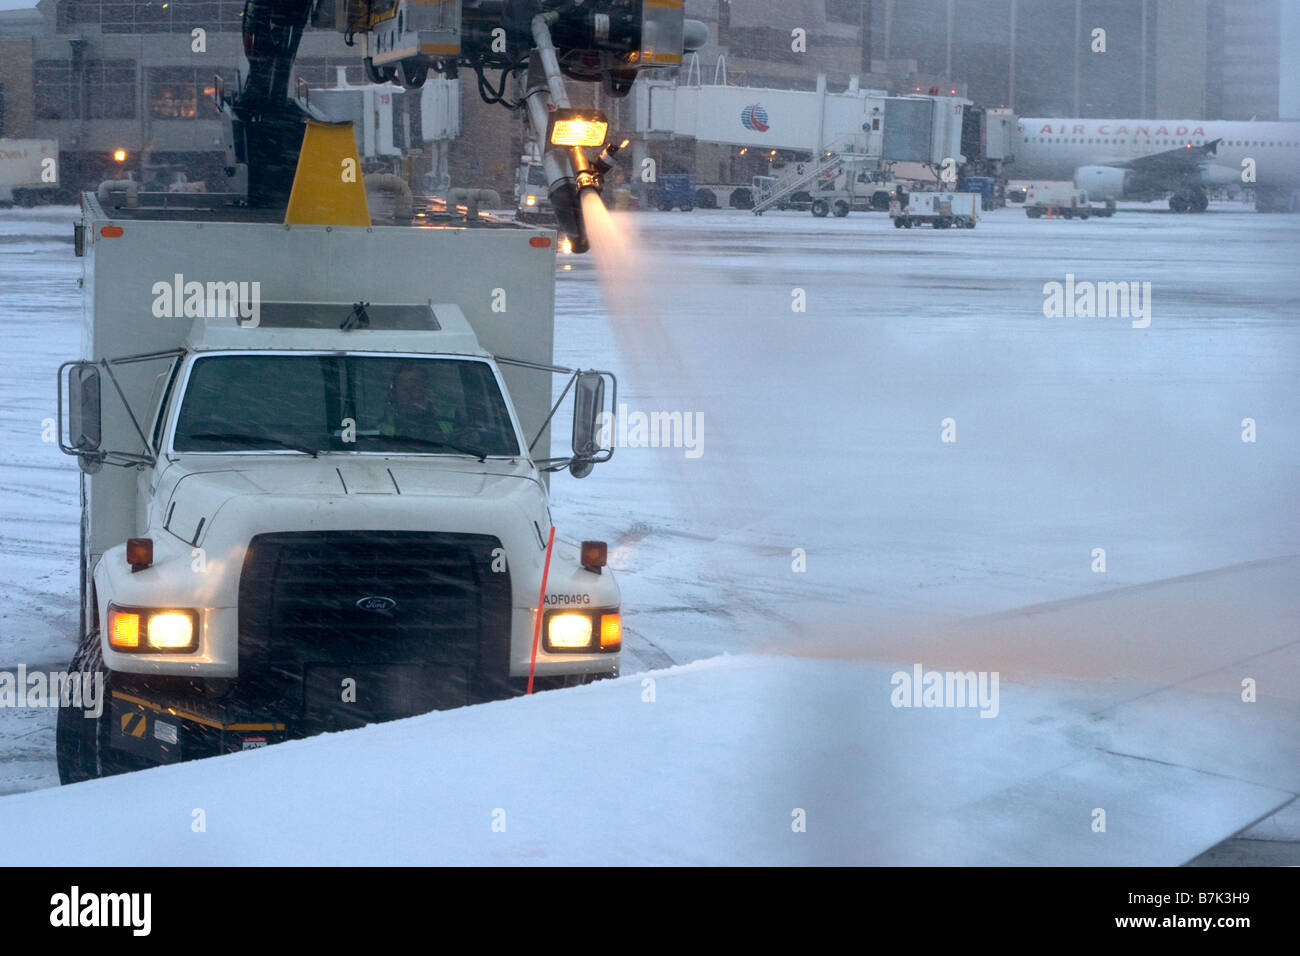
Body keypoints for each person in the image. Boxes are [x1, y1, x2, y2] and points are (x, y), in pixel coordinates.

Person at [379, 362, 458, 443]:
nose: (413, 395)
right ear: (393, 393)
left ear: (426, 390)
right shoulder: (380, 423)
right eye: (406, 389)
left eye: (417, 387)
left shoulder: (451, 418)